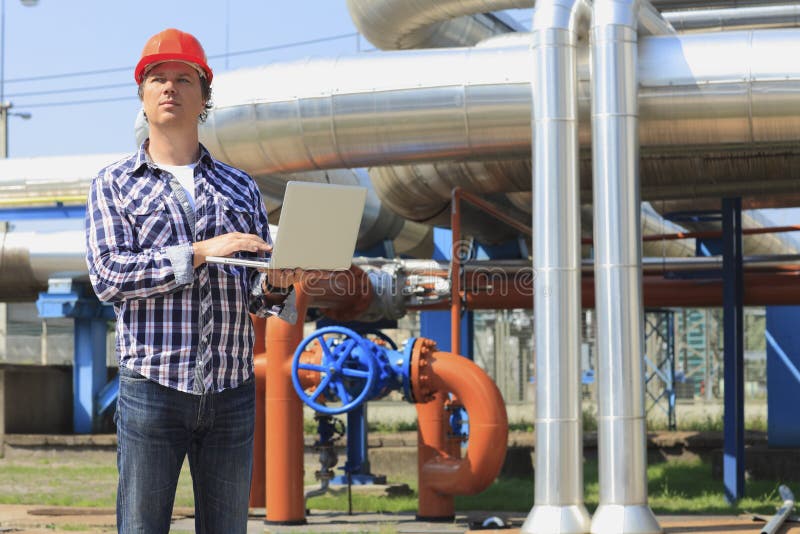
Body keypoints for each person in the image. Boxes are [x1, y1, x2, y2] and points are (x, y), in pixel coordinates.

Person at [85, 28, 298, 533]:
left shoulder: (239, 186)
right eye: (157, 78)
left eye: (184, 78)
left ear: (204, 97)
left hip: (231, 391)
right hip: (152, 390)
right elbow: (108, 276)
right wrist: (200, 252)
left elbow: (257, 300)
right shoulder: (114, 185)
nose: (169, 88)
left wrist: (278, 284)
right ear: (141, 94)